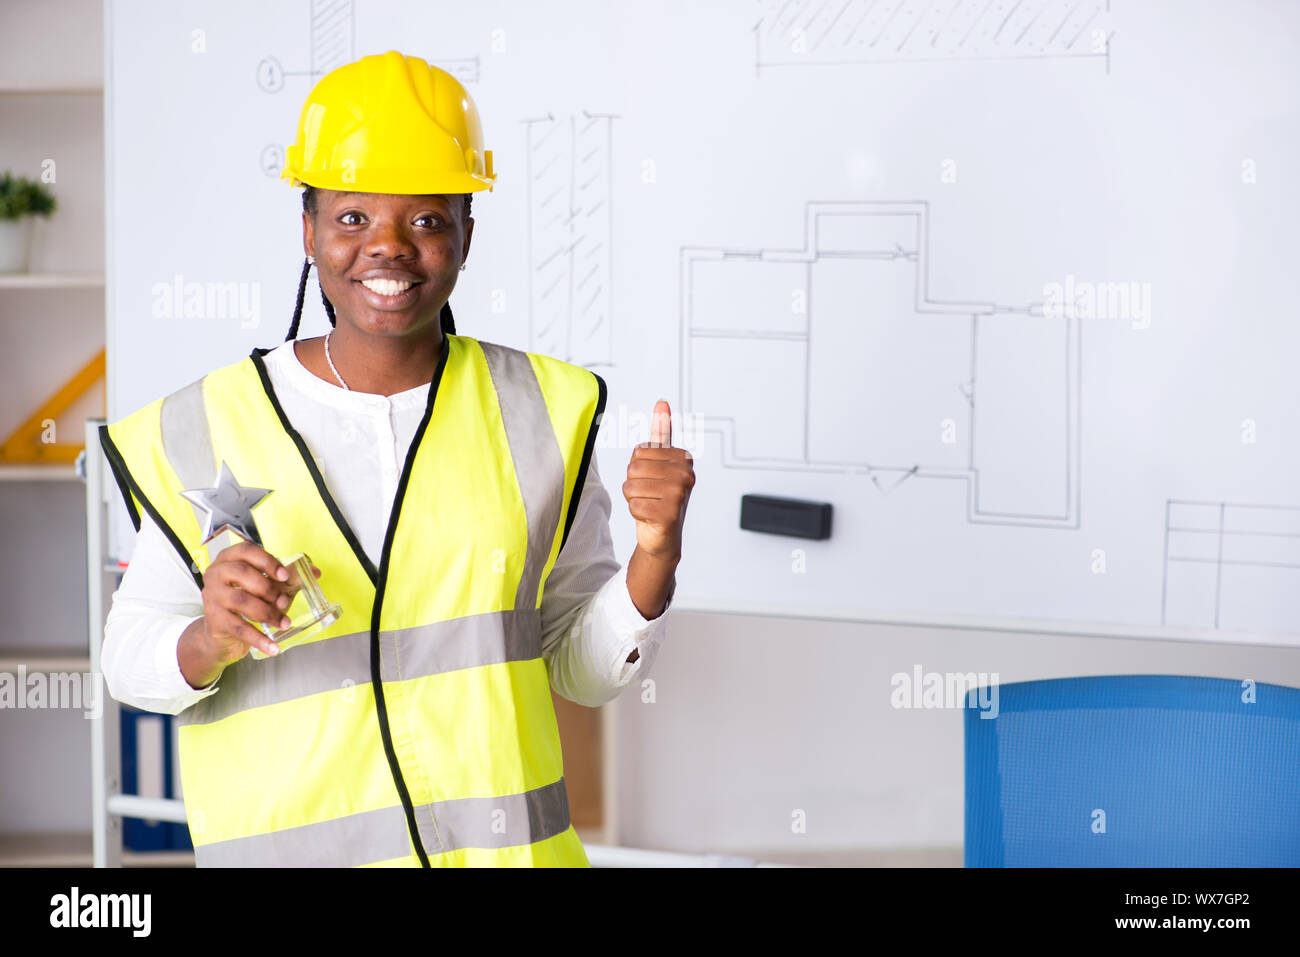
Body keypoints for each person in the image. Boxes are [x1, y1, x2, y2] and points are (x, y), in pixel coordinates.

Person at [99, 51, 695, 867]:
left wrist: (655, 555)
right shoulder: (201, 426)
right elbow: (128, 661)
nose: (388, 247)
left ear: (466, 236)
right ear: (308, 231)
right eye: (352, 218)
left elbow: (581, 670)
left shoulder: (541, 412)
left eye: (426, 220)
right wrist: (209, 637)